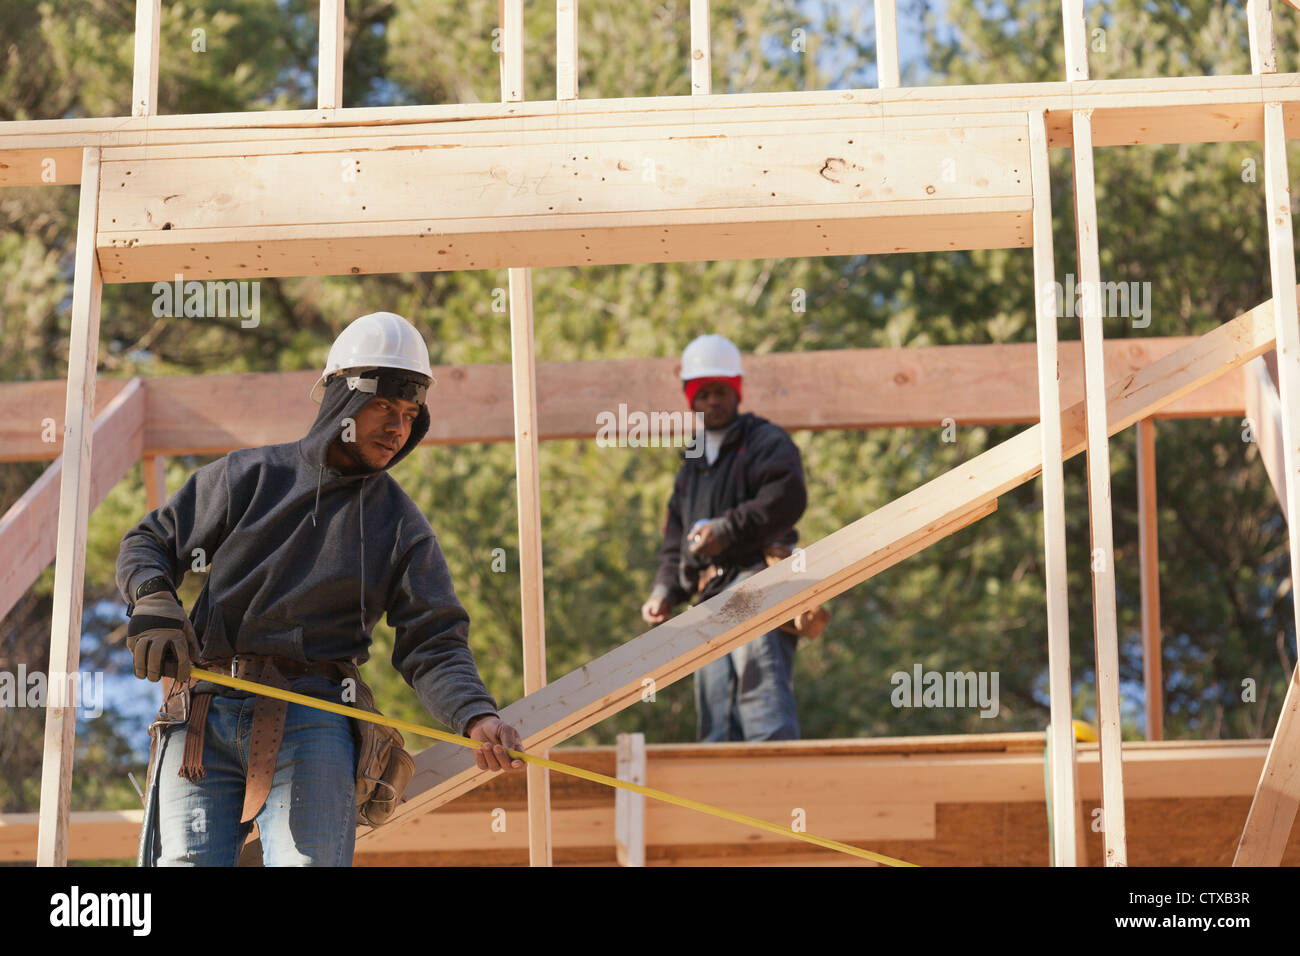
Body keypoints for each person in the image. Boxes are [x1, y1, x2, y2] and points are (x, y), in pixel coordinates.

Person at [116, 310, 523, 867]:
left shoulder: (400, 525)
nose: (397, 428)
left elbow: (433, 643)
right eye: (383, 406)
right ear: (340, 402)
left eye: (410, 414)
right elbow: (149, 542)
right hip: (203, 715)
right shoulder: (248, 478)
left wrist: (476, 715)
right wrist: (153, 598)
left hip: (314, 716)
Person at [641, 333, 809, 742]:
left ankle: (777, 790)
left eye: (721, 391)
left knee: (761, 705)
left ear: (736, 392)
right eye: (703, 393)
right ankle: (718, 800)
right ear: (691, 400)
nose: (712, 401)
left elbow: (787, 496)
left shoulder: (765, 442)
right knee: (715, 717)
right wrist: (664, 589)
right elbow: (676, 539)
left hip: (756, 582)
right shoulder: (692, 465)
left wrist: (726, 529)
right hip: (709, 596)